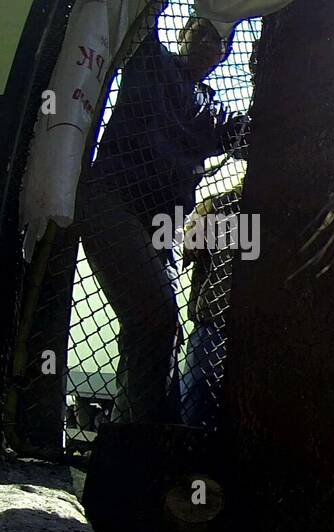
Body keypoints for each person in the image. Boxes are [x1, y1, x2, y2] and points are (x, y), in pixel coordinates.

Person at [78, 12, 247, 424]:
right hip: (113, 200)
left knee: (159, 330)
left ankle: (134, 431)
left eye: (218, 41)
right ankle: (137, 436)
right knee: (156, 313)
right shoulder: (149, 59)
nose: (208, 44)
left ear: (224, 55)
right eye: (201, 31)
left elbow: (247, 136)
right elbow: (142, 16)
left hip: (163, 229)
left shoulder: (212, 109)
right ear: (183, 31)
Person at [179, 183, 242, 429]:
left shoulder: (222, 204)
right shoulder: (221, 204)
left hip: (220, 321)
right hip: (215, 322)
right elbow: (189, 249)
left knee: (199, 406)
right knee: (196, 406)